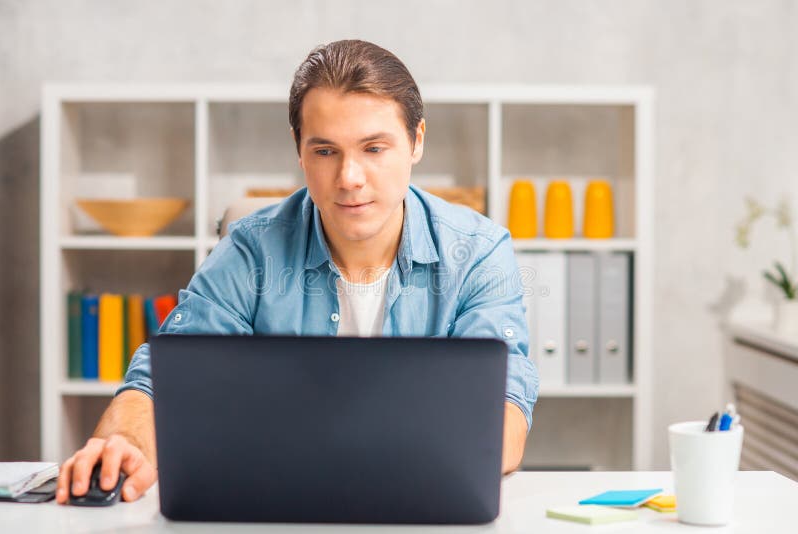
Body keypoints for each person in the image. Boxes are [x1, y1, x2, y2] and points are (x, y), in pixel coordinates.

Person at [56, 39, 539, 505]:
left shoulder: (479, 252)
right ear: (298, 147)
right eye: (325, 151)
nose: (349, 178)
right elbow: (159, 382)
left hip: (420, 508)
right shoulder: (250, 248)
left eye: (374, 148)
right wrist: (124, 442)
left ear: (416, 142)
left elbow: (504, 419)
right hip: (273, 507)